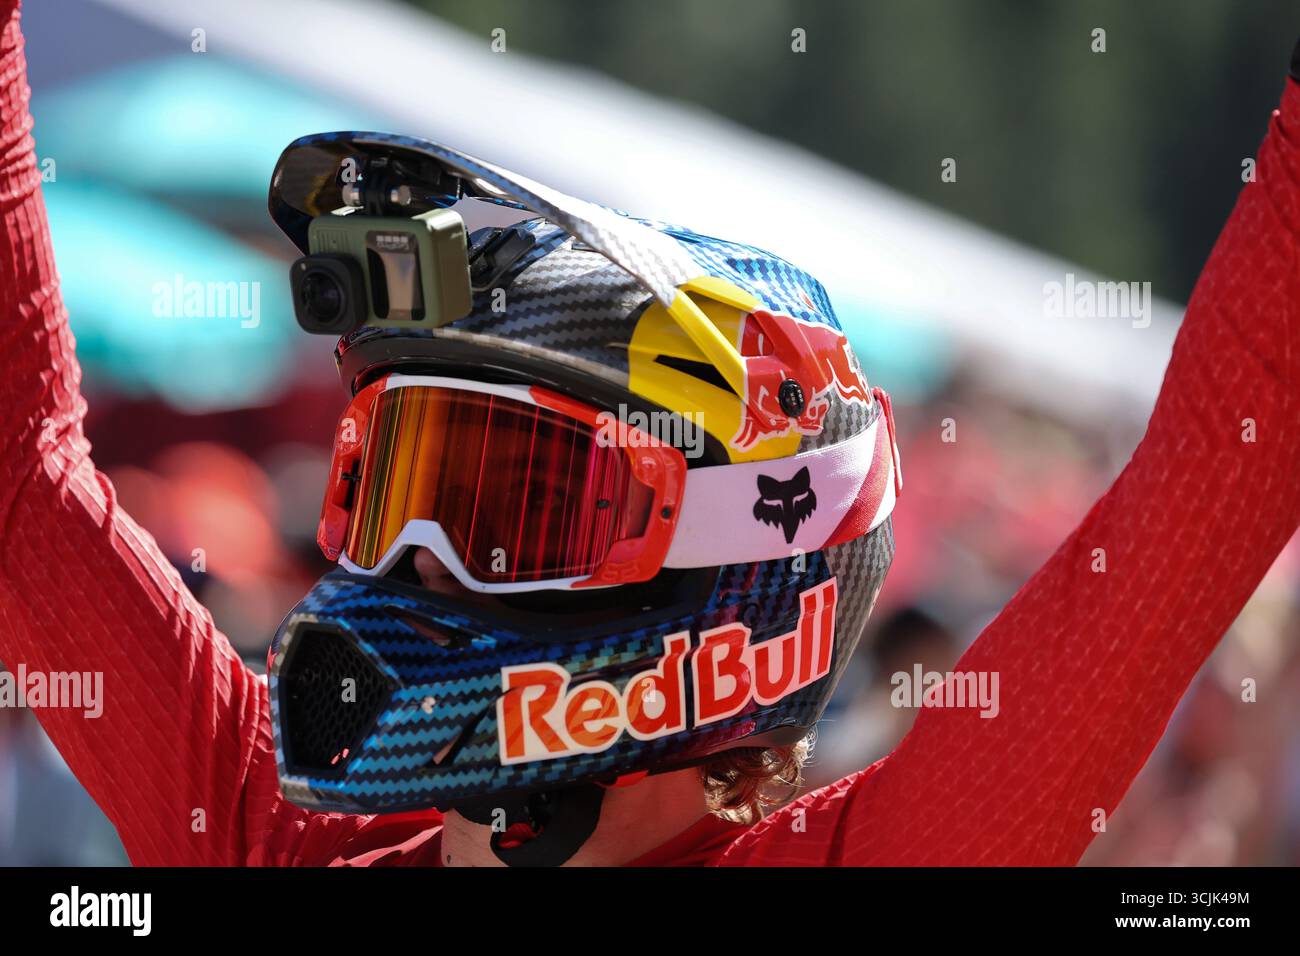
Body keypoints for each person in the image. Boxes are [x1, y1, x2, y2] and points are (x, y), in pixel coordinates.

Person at [1, 0, 1298, 866]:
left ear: (730, 569)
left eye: (505, 503)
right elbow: (20, 471)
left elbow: (1231, 442)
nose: (410, 558)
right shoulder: (265, 830)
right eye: (392, 481)